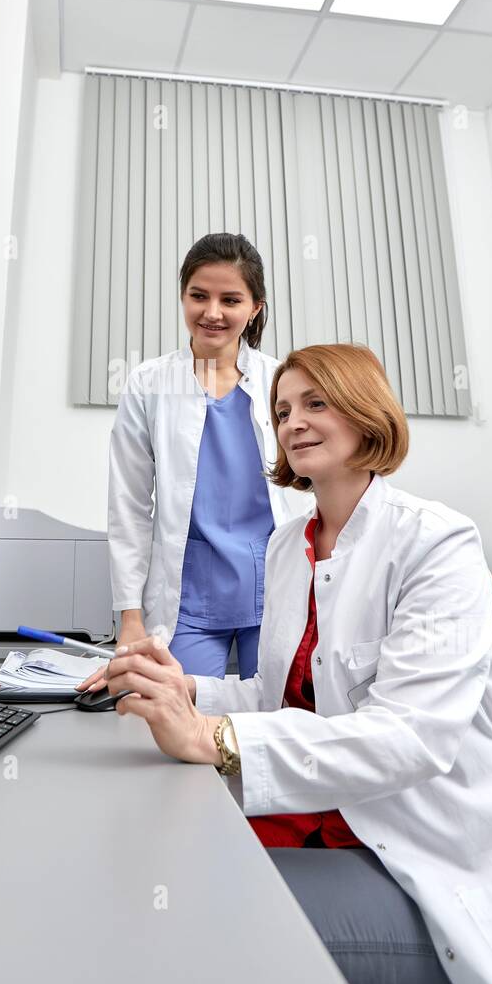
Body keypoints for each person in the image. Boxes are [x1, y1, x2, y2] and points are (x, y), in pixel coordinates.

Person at [83, 343, 492, 984]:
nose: (293, 422)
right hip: (320, 816)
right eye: (282, 410)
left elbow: (411, 738)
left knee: (177, 920)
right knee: (137, 858)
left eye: (316, 402)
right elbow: (275, 696)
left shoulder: (438, 543)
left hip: (422, 861)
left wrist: (215, 737)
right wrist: (181, 689)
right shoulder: (289, 547)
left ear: (366, 411)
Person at [106, 232, 307, 679]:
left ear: (255, 307)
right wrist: (130, 617)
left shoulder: (283, 379)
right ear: (183, 296)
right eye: (199, 296)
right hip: (189, 596)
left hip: (274, 586)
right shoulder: (149, 383)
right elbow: (129, 506)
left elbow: (339, 475)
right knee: (179, 723)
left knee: (276, 724)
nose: (212, 313)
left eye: (230, 300)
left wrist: (419, 557)